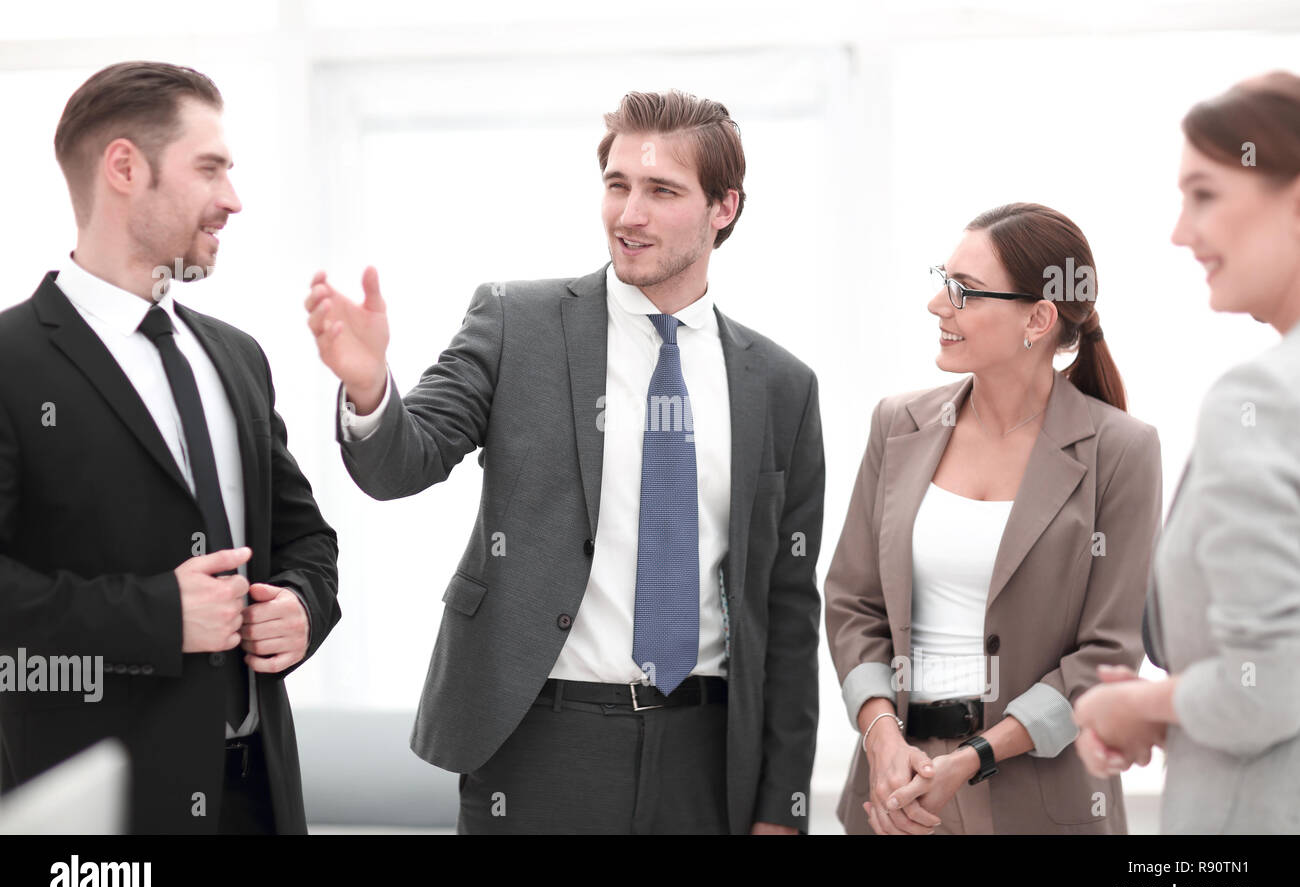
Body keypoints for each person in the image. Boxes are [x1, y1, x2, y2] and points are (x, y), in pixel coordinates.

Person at [305, 90, 823, 835]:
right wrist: (368, 387)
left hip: (706, 756)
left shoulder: (781, 386)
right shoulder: (517, 320)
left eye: (661, 191)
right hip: (539, 743)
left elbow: (787, 610)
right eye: (617, 185)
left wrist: (782, 808)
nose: (629, 214)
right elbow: (401, 463)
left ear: (724, 207)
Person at [0, 61, 341, 834]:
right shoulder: (10, 362)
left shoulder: (238, 356)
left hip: (260, 799)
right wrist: (155, 615)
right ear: (125, 166)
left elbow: (307, 542)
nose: (233, 199)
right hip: (98, 820)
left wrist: (300, 608)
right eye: (210, 168)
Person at [824, 203, 1162, 834]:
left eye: (966, 291)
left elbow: (1108, 652)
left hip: (1044, 803)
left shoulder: (1120, 450)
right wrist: (881, 738)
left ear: (1038, 317)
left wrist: (975, 757)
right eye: (942, 279)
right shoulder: (898, 425)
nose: (937, 304)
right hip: (894, 797)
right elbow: (852, 602)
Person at [1074, 71, 1300, 835]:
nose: (1180, 231)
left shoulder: (1265, 399)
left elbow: (1270, 680)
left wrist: (1136, 702)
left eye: (1204, 193)